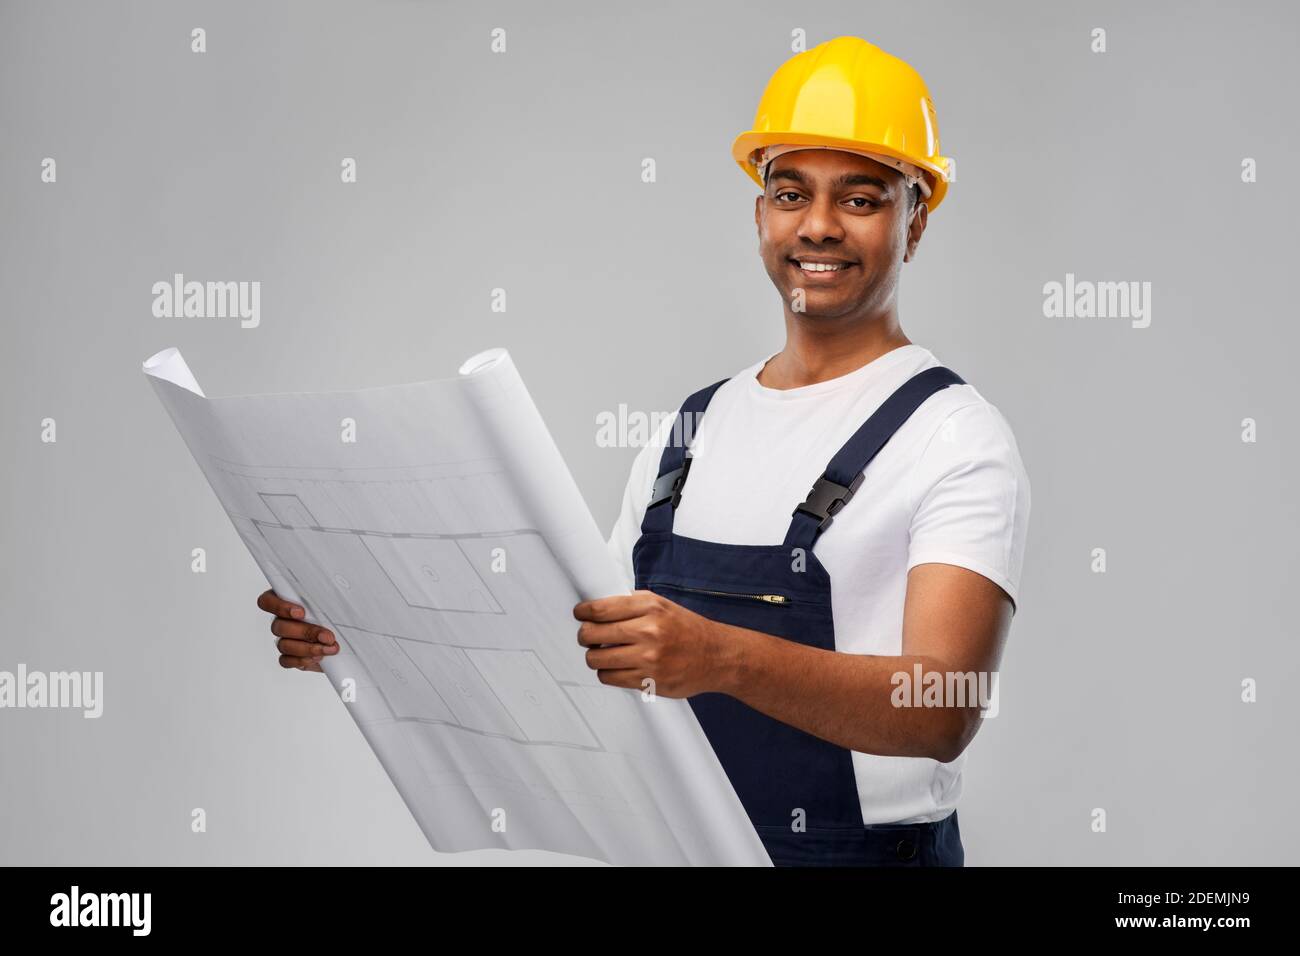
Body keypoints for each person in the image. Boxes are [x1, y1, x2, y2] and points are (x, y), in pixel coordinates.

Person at [258, 36, 1030, 868]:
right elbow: (588, 660)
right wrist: (362, 637)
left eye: (863, 198)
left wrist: (720, 658)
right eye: (789, 191)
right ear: (759, 212)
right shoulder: (692, 430)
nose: (817, 225)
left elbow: (944, 709)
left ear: (917, 219)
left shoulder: (953, 434)